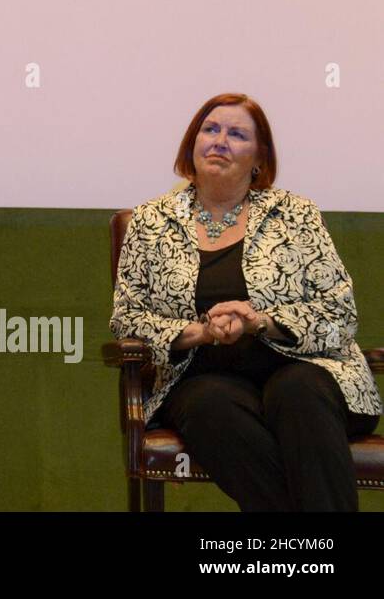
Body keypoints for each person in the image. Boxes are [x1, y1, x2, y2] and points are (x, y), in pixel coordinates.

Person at [110, 93, 382, 511]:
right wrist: (198, 332)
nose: (220, 141)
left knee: (296, 393)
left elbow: (340, 313)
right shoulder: (149, 222)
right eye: (210, 130)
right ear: (192, 143)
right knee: (208, 405)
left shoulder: (297, 214)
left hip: (307, 371)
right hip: (203, 377)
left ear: (259, 157)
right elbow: (127, 318)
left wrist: (261, 322)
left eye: (237, 134)